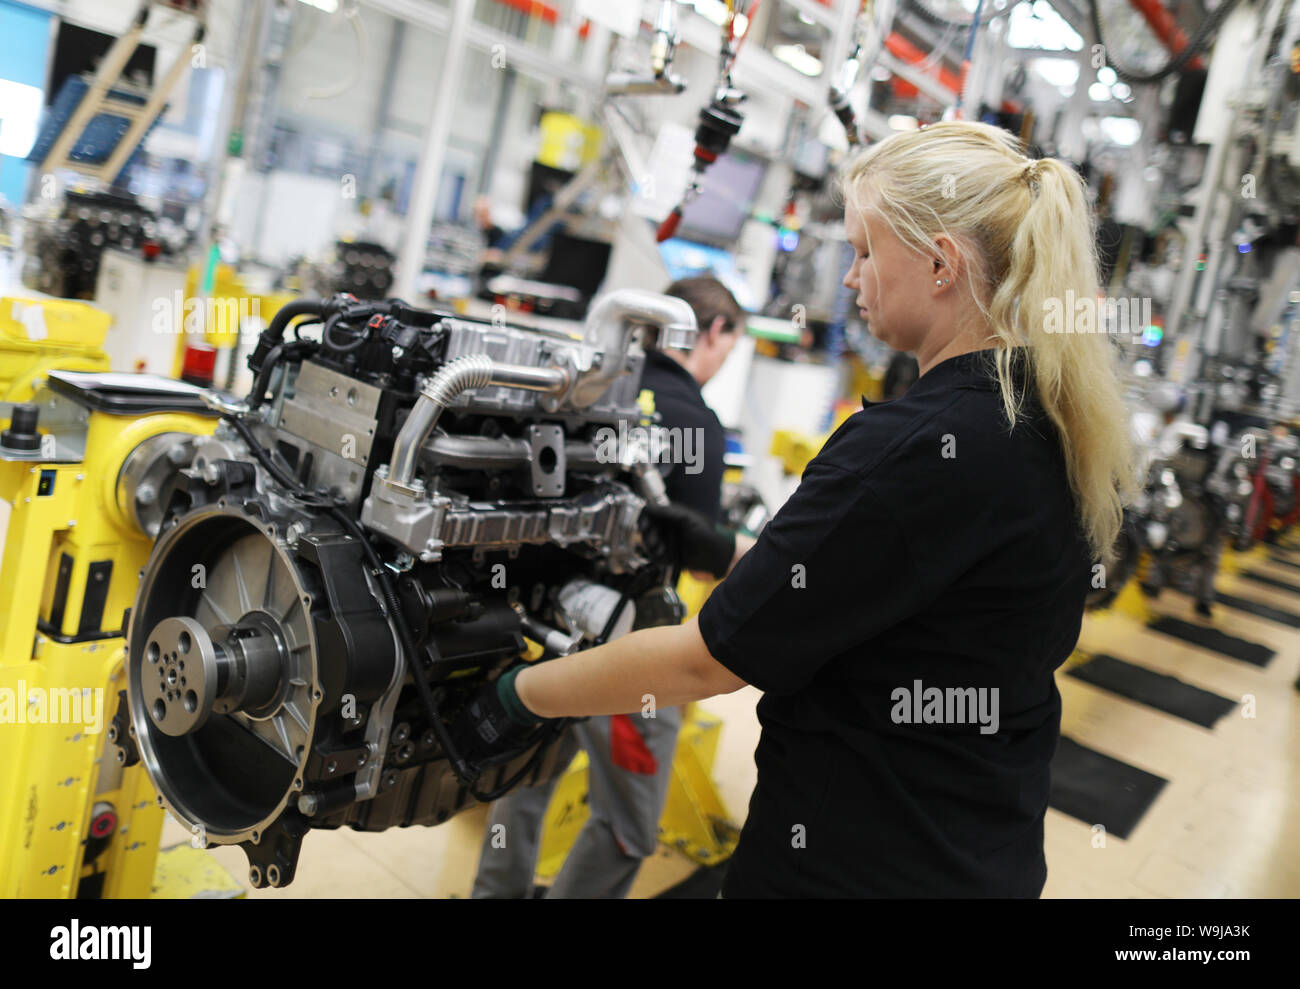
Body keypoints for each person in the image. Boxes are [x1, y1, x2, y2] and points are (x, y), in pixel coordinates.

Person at [452, 121, 1137, 897]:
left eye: (866, 251)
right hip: (980, 851)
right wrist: (730, 549)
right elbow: (891, 594)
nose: (851, 278)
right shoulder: (1052, 426)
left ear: (941, 263)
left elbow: (705, 660)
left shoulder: (911, 445)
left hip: (851, 866)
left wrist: (516, 695)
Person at [470, 277, 744, 899]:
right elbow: (703, 562)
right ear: (714, 331)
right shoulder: (696, 420)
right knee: (627, 827)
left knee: (523, 785)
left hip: (540, 627)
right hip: (629, 654)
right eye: (731, 344)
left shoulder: (586, 386)